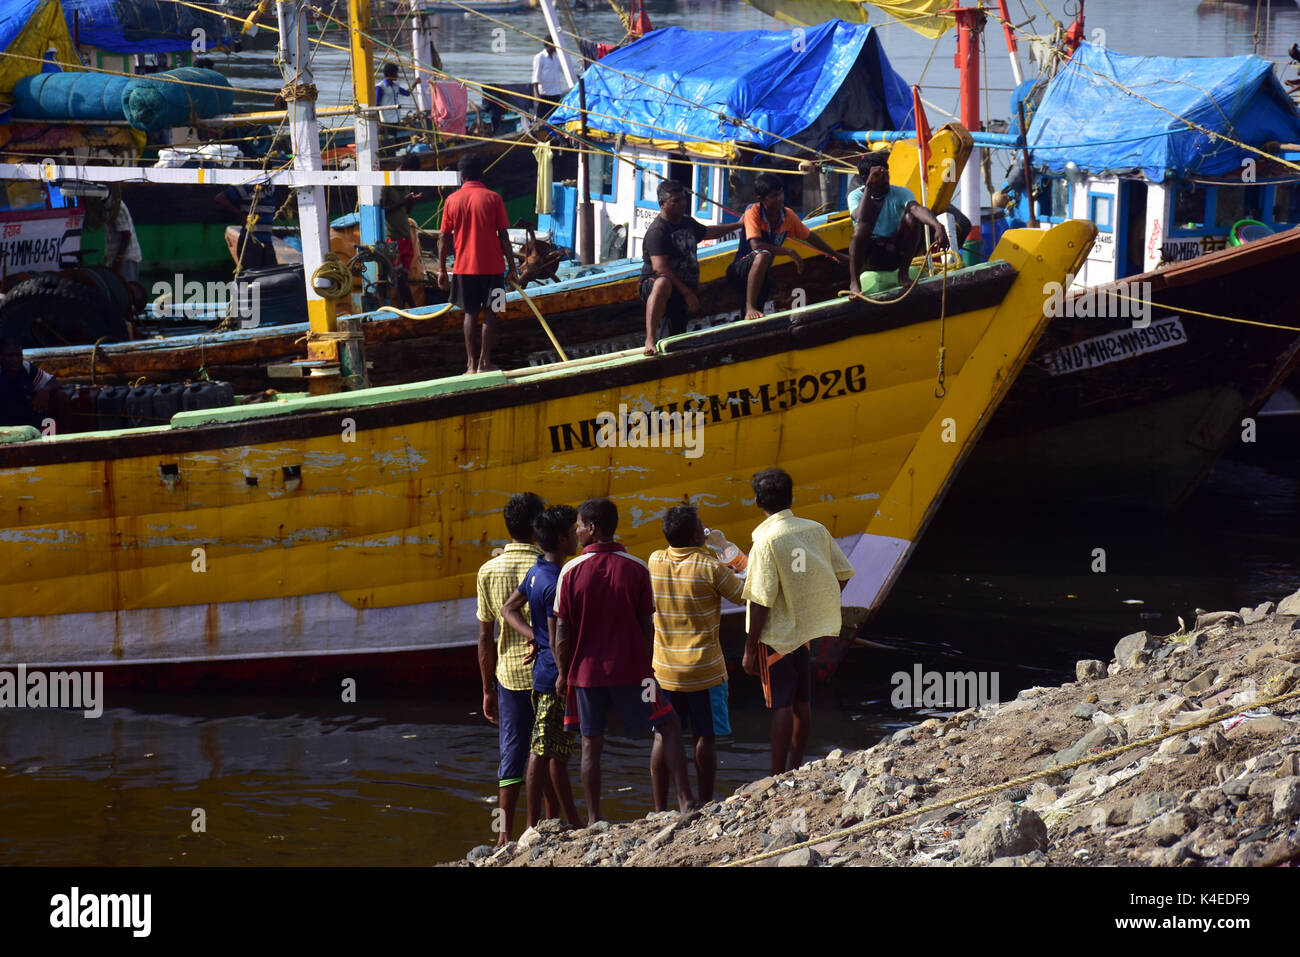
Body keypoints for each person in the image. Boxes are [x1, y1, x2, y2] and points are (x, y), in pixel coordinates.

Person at [551, 498, 697, 823]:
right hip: (633, 671)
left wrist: (563, 673)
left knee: (591, 743)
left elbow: (563, 630)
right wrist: (645, 665)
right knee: (668, 725)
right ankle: (686, 801)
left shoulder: (570, 571)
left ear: (592, 528)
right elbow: (648, 624)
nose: (576, 531)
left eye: (579, 525)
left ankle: (593, 819)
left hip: (586, 675)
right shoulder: (636, 566)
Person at [741, 468, 854, 775]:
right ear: (792, 497)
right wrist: (809, 603)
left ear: (756, 502)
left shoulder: (765, 540)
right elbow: (841, 575)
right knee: (802, 700)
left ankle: (777, 775)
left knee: (781, 704)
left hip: (775, 635)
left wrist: (750, 647)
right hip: (803, 632)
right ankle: (795, 766)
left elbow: (760, 599)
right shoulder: (815, 530)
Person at [648, 505, 745, 804]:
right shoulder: (710, 566)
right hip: (705, 669)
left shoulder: (654, 560)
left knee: (663, 735)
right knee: (705, 735)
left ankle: (660, 806)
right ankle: (704, 800)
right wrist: (729, 553)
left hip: (664, 669)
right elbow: (744, 594)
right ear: (695, 534)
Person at [500, 505, 584, 831]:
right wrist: (564, 672)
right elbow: (558, 632)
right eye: (574, 531)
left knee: (557, 751)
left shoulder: (537, 571)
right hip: (554, 677)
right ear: (563, 538)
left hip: (545, 672)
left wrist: (534, 637)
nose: (578, 535)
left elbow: (508, 609)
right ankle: (532, 827)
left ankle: (571, 820)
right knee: (540, 750)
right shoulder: (556, 582)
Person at [476, 491, 546, 847]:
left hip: (508, 677)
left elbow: (485, 636)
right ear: (539, 526)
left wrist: (487, 688)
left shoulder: (488, 570)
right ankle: (546, 823)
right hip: (547, 673)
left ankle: (504, 834)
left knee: (511, 751)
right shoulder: (548, 566)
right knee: (547, 747)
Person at [639, 180, 742, 355]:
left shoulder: (687, 222)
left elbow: (709, 232)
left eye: (683, 199)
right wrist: (687, 293)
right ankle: (649, 339)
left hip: (682, 287)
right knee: (662, 283)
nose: (683, 204)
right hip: (656, 284)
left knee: (676, 337)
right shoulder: (658, 231)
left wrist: (738, 225)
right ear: (662, 204)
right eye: (676, 201)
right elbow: (660, 268)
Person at [727, 172, 848, 320]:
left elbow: (811, 238)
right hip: (739, 270)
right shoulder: (753, 212)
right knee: (763, 254)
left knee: (760, 306)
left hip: (760, 274)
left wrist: (837, 255)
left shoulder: (788, 216)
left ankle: (751, 313)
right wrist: (789, 252)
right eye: (773, 196)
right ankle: (749, 307)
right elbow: (755, 244)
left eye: (780, 194)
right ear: (761, 199)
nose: (779, 199)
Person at [437, 152, 517, 375]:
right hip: (495, 270)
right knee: (493, 312)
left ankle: (471, 365)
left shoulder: (452, 200)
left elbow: (444, 238)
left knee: (469, 314)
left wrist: (442, 270)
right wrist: (512, 268)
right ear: (481, 174)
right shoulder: (494, 198)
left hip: (463, 269)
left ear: (461, 176)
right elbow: (504, 236)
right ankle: (485, 363)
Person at [847, 151, 949, 293]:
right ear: (865, 179)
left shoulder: (901, 193)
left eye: (887, 175)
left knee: (911, 218)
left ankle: (903, 274)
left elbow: (916, 208)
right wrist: (870, 186)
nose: (886, 180)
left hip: (893, 251)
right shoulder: (855, 196)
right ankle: (854, 283)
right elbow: (860, 218)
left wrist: (937, 226)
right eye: (879, 176)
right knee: (861, 229)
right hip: (869, 257)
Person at [381, 153, 425, 308]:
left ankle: (402, 307)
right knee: (399, 275)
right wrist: (403, 202)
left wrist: (411, 201)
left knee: (403, 276)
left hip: (405, 233)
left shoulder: (405, 184)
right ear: (404, 168)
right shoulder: (386, 185)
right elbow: (383, 210)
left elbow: (406, 212)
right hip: (392, 236)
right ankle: (412, 307)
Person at [0, 337, 61, 429]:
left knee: (60, 396)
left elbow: (53, 382)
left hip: (26, 417)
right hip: (4, 420)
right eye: (10, 356)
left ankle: (63, 439)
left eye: (18, 355)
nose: (15, 359)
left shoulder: (26, 367)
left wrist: (45, 391)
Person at [216, 181, 277, 271]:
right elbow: (220, 198)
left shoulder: (271, 187)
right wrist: (241, 215)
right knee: (251, 278)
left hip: (267, 241)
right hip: (250, 242)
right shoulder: (247, 186)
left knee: (272, 274)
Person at [102, 194, 143, 286]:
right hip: (118, 257)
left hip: (126, 258)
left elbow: (126, 234)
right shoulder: (108, 207)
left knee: (127, 290)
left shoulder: (115, 207)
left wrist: (118, 259)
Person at [531, 40, 572, 114]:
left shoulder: (556, 57)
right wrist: (537, 95)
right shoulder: (540, 57)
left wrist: (575, 76)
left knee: (554, 115)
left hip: (556, 92)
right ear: (549, 45)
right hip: (544, 93)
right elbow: (536, 76)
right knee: (542, 117)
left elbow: (564, 70)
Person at [376, 61, 411, 142]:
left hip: (395, 120)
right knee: (388, 142)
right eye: (395, 73)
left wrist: (415, 83)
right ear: (389, 74)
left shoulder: (395, 86)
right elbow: (376, 105)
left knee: (393, 140)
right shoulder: (380, 87)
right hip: (386, 121)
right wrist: (379, 123)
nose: (397, 75)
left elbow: (407, 93)